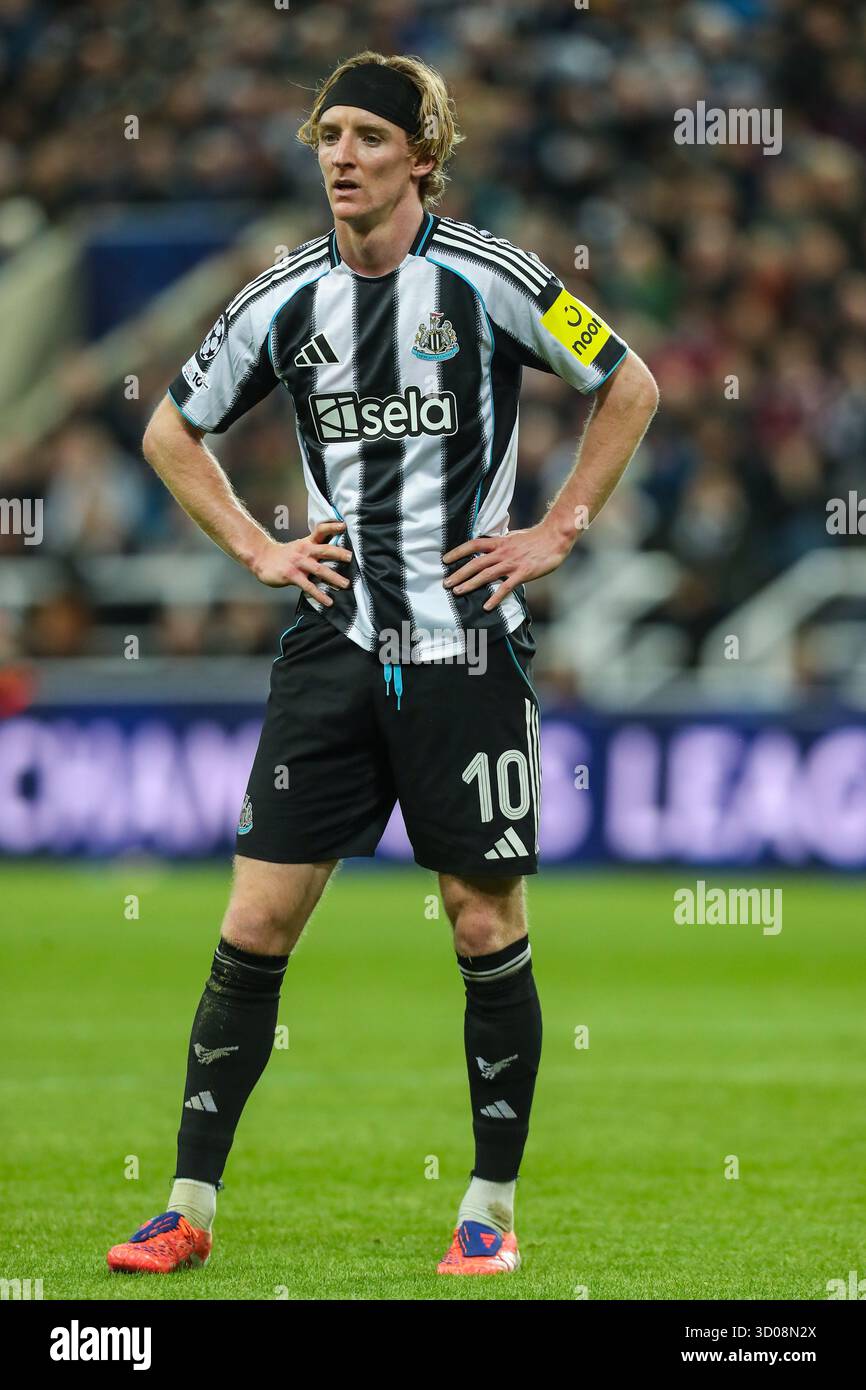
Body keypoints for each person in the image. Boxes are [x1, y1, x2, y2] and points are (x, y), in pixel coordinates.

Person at [106, 50, 658, 1279]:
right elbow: (167, 430)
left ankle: (487, 1212)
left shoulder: (493, 277)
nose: (339, 155)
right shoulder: (278, 300)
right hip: (332, 644)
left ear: (419, 155)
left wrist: (554, 530)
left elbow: (629, 383)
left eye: (364, 135)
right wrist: (258, 547)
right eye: (326, 134)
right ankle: (187, 1204)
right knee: (256, 918)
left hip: (464, 643)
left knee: (479, 919)